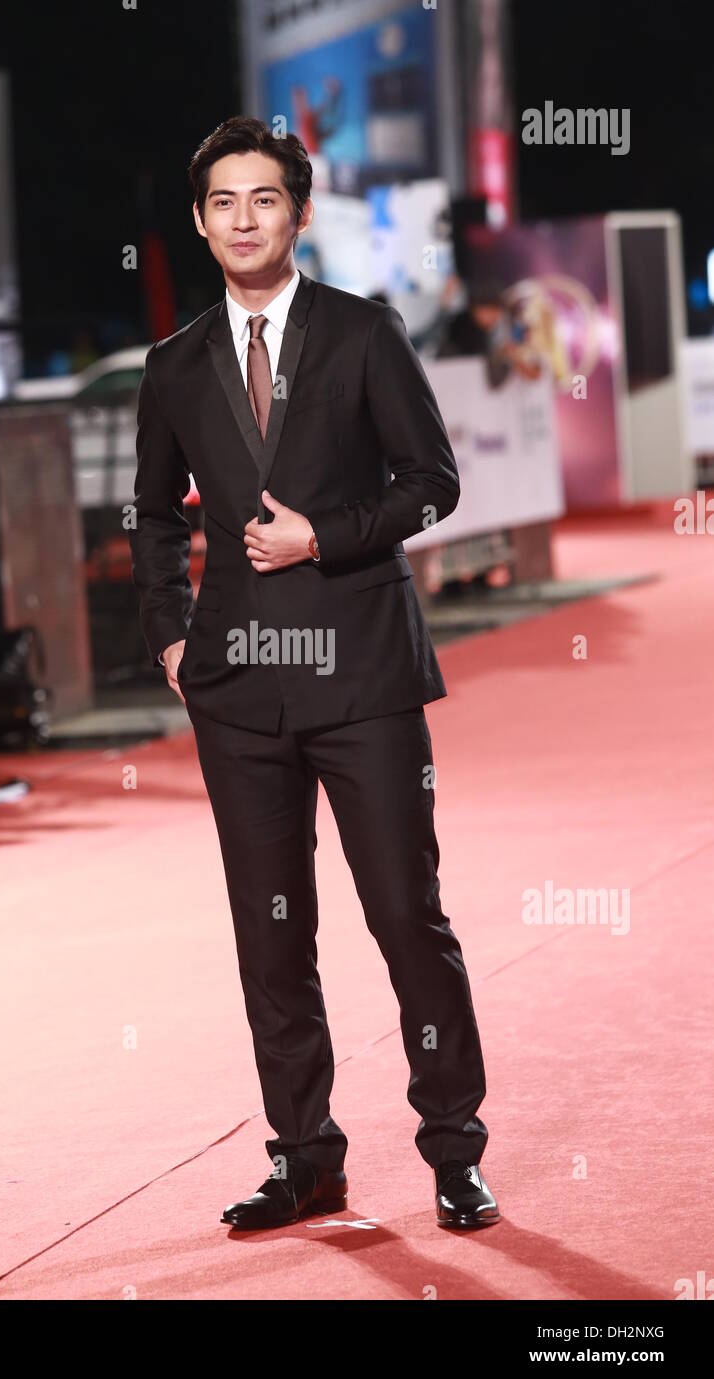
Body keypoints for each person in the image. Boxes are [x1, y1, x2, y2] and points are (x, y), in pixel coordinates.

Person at [129, 116, 499, 1231]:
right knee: (269, 931)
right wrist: (172, 637)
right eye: (223, 204)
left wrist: (323, 534)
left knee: (404, 916)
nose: (244, 220)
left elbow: (432, 483)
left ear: (297, 212)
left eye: (264, 200)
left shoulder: (362, 333)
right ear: (201, 223)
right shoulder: (172, 363)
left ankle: (453, 1148)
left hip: (364, 674)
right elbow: (150, 514)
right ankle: (304, 1155)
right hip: (236, 690)